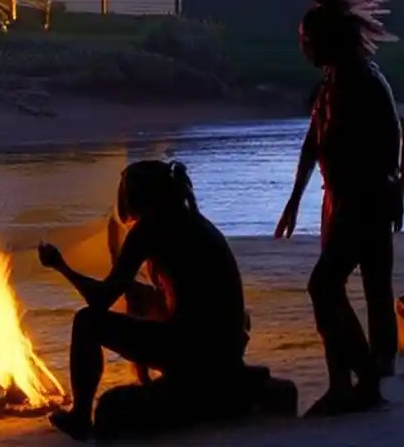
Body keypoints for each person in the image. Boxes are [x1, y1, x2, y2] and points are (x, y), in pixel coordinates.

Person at [38, 160, 249, 441]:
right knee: (143, 297)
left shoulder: (151, 227)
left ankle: (80, 415)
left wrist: (61, 266)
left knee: (87, 321)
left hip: (193, 349)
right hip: (225, 347)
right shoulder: (193, 221)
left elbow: (100, 300)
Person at [275, 0, 403, 416]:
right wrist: (295, 199)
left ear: (328, 39)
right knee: (335, 288)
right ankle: (343, 383)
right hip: (341, 200)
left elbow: (388, 147)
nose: (303, 46)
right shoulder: (334, 80)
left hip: (362, 203)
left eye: (307, 39)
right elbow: (314, 141)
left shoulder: (362, 83)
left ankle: (365, 377)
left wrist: (379, 201)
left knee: (332, 286)